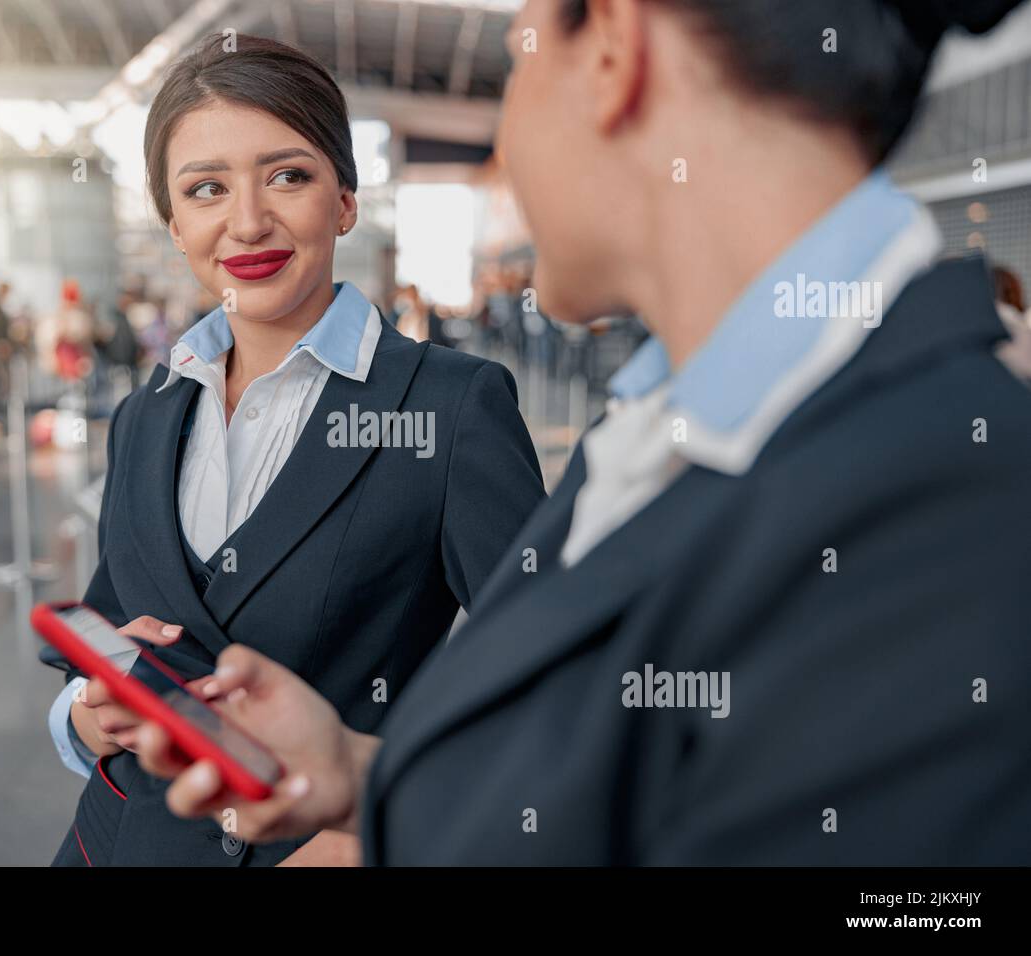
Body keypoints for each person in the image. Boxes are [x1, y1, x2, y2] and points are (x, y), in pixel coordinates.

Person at [139, 0, 1031, 865]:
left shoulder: (945, 517)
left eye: (524, 54)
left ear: (610, 45)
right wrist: (361, 777)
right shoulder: (667, 435)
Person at [44, 34, 545, 866]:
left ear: (344, 200)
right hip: (117, 843)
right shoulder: (146, 413)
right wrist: (88, 716)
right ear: (174, 225)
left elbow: (556, 688)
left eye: (288, 175)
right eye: (205, 189)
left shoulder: (451, 408)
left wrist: (364, 836)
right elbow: (107, 627)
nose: (247, 222)